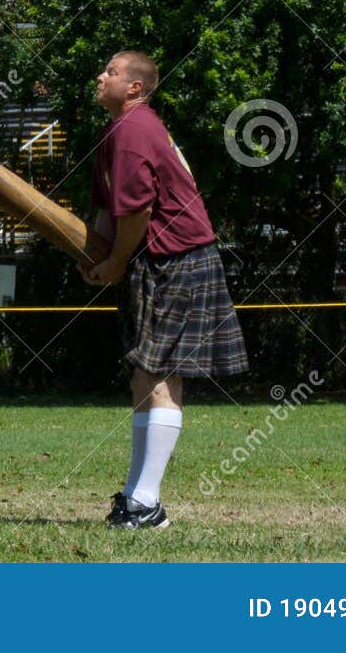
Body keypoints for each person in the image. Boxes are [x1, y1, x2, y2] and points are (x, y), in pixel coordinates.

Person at [82, 51, 249, 529]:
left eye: (111, 72)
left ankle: (145, 504)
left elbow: (137, 212)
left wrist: (115, 261)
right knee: (143, 378)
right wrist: (96, 258)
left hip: (177, 260)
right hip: (156, 260)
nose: (101, 76)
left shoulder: (134, 130)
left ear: (135, 88)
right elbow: (105, 208)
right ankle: (137, 497)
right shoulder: (117, 130)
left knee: (158, 379)